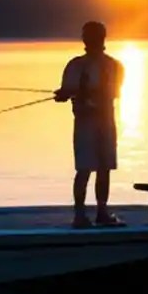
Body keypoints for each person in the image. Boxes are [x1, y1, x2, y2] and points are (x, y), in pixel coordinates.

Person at [54, 21, 124, 228]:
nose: (88, 40)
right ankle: (86, 215)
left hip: (99, 121)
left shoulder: (106, 65)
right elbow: (68, 91)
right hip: (89, 122)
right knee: (89, 169)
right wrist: (65, 94)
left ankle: (92, 214)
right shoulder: (83, 65)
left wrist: (68, 94)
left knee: (100, 168)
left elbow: (111, 92)